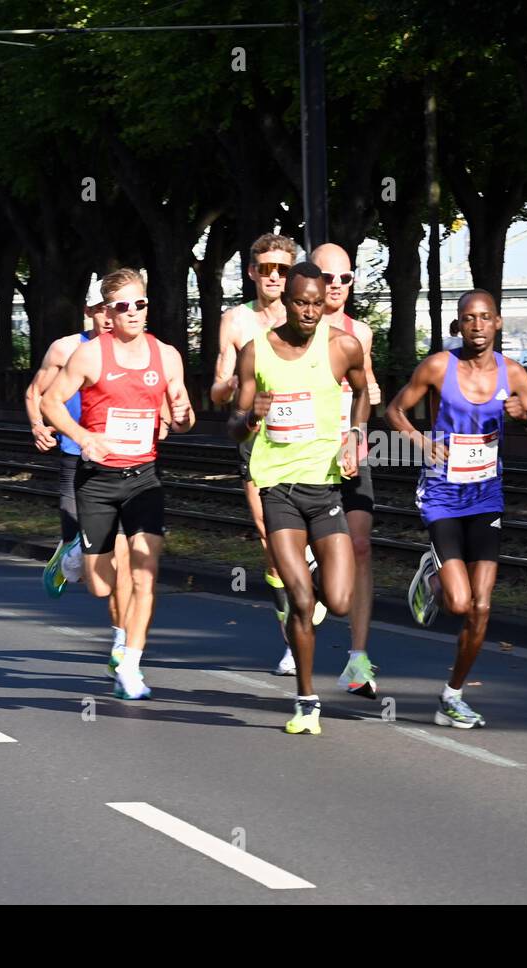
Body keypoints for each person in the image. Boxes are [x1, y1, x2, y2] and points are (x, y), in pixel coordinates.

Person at [385, 290, 527, 729]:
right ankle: (434, 573)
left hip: (486, 497)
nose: (476, 325)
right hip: (443, 494)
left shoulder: (514, 375)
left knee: (481, 607)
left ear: (498, 323)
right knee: (458, 603)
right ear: (458, 326)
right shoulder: (439, 367)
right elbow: (395, 410)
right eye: (468, 318)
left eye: (484, 317)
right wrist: (421, 442)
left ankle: (452, 697)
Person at [41, 268, 195, 699]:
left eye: (139, 304)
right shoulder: (89, 356)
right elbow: (51, 401)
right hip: (98, 480)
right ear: (108, 311)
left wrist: (183, 417)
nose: (131, 312)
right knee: (102, 585)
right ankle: (75, 555)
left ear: (148, 305)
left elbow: (183, 413)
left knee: (145, 574)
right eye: (122, 306)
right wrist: (83, 436)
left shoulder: (165, 355)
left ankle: (131, 663)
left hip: (144, 477)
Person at [228, 261, 368, 734]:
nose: (309, 312)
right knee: (303, 604)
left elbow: (365, 393)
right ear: (284, 301)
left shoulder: (341, 348)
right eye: (301, 302)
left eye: (316, 303)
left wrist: (354, 433)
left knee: (341, 602)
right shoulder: (256, 354)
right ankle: (307, 702)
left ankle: (311, 570)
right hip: (278, 490)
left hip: (325, 488)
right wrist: (251, 417)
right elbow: (232, 425)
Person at [211, 233, 324, 676]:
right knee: (269, 538)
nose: (273, 277)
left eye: (282, 269)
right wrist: (234, 388)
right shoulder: (237, 321)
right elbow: (219, 387)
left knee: (305, 537)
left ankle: (313, 572)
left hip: (308, 441)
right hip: (258, 442)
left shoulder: (311, 311)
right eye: (265, 269)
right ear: (253, 273)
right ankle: (291, 634)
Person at [26, 286, 149, 676]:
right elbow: (36, 392)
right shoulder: (66, 349)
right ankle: (69, 556)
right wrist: (38, 427)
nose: (107, 317)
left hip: (119, 466)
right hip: (72, 458)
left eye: (111, 309)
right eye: (100, 310)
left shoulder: (136, 351)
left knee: (122, 555)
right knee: (82, 550)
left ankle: (120, 640)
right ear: (90, 311)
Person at [309, 243, 381, 698]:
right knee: (306, 556)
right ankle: (310, 588)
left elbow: (366, 388)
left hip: (348, 452)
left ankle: (358, 660)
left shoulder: (361, 333)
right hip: (304, 457)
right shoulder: (292, 328)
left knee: (360, 546)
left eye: (345, 278)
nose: (336, 286)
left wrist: (359, 427)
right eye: (328, 277)